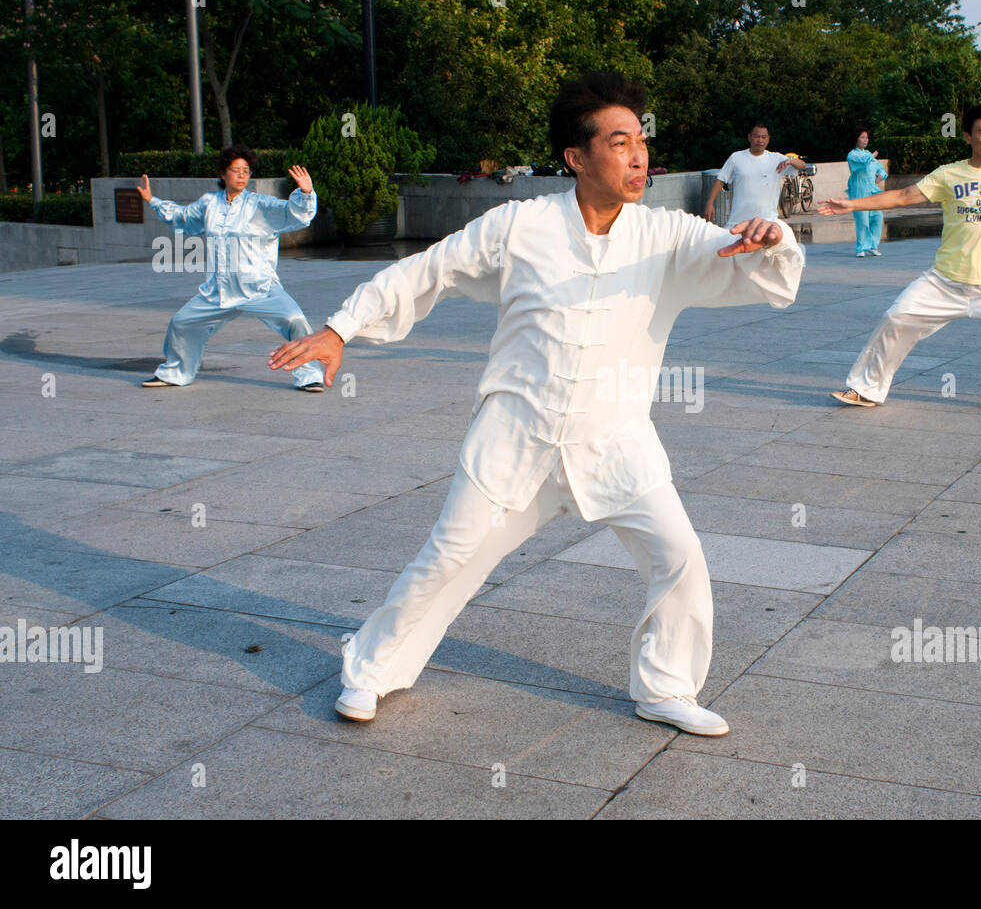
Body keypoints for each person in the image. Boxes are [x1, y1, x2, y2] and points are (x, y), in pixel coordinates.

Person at [267, 72, 804, 736]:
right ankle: (370, 666)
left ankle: (666, 686)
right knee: (448, 557)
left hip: (615, 440)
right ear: (577, 157)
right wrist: (341, 327)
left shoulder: (665, 235)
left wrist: (771, 240)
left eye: (640, 140)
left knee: (679, 555)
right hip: (516, 433)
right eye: (618, 141)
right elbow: (426, 270)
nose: (637, 155)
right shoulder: (520, 225)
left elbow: (739, 258)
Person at [818, 103, 981, 418]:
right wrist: (852, 205)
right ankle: (866, 389)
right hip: (945, 282)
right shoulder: (949, 173)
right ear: (967, 136)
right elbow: (902, 196)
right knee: (896, 317)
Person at [136, 145, 325, 390]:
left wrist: (306, 193)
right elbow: (183, 218)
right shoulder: (209, 203)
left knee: (295, 319)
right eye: (235, 170)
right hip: (219, 290)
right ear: (223, 174)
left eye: (246, 170)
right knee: (181, 323)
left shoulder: (260, 205)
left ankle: (310, 376)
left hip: (259, 286)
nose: (241, 175)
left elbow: (294, 214)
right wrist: (152, 200)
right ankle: (175, 372)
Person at [704, 123, 805, 227]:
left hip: (766, 222)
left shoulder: (776, 159)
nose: (760, 140)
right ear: (749, 137)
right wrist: (710, 203)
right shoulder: (736, 158)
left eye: (763, 137)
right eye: (757, 136)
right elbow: (721, 180)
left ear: (768, 139)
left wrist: (790, 161)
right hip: (737, 222)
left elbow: (802, 165)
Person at [847, 127, 888, 257]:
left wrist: (881, 175)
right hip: (859, 192)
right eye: (862, 137)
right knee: (862, 220)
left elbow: (880, 169)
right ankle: (860, 248)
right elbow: (864, 161)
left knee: (877, 217)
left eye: (867, 137)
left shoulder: (869, 154)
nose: (865, 140)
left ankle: (873, 246)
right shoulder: (852, 155)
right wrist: (872, 156)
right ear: (856, 139)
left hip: (873, 192)